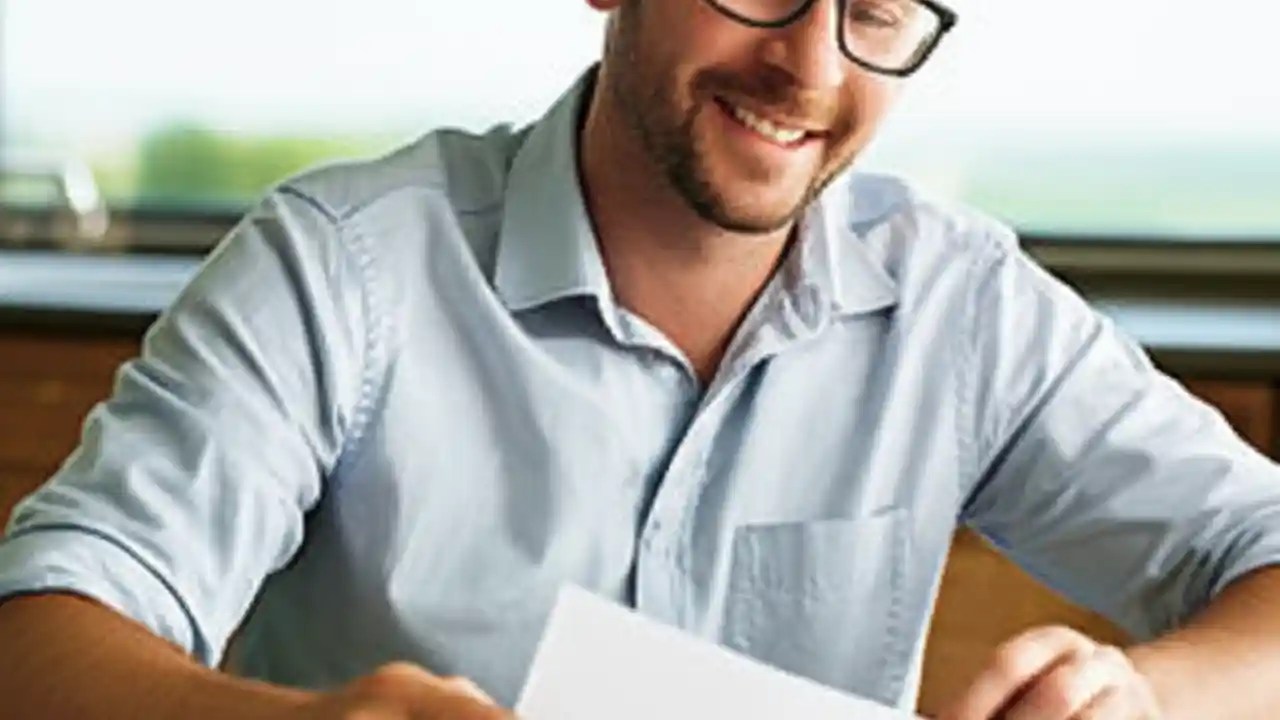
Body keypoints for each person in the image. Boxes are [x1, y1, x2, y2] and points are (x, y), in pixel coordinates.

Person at [2, 0, 1279, 717]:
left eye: (875, 10)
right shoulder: (342, 267)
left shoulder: (962, 307)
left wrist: (1141, 697)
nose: (807, 63)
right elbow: (38, 640)